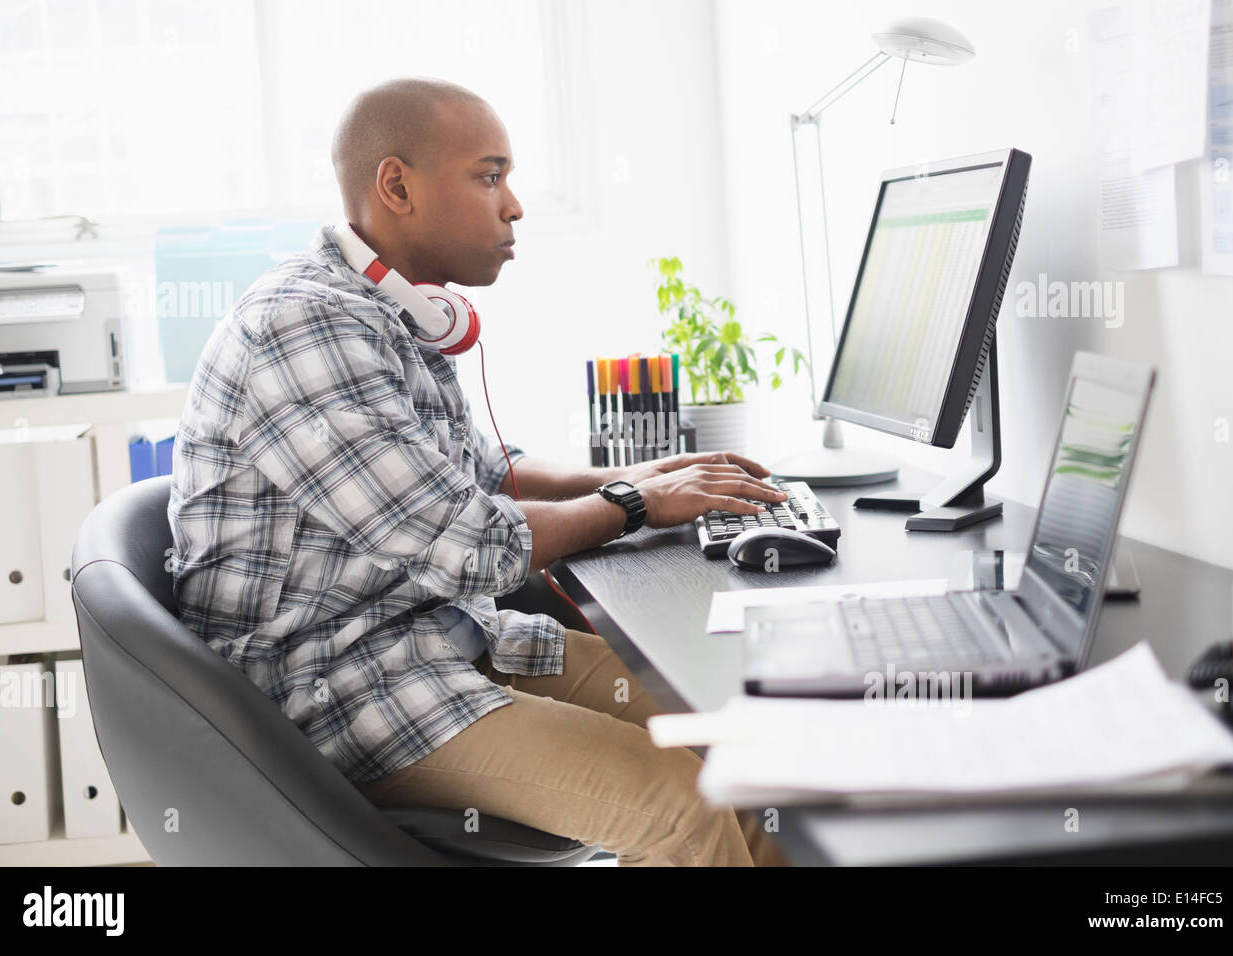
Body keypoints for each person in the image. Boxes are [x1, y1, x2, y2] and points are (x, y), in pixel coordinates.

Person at [169, 76, 789, 866]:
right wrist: (636, 502)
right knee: (678, 805)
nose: (515, 205)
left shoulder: (389, 316)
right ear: (397, 185)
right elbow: (471, 546)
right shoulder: (301, 325)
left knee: (730, 742)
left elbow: (488, 475)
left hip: (442, 641)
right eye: (490, 176)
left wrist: (652, 475)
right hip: (338, 687)